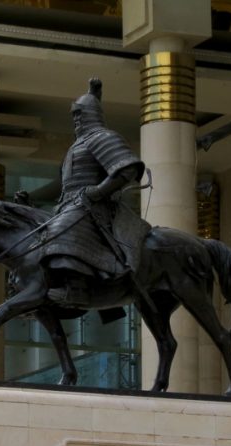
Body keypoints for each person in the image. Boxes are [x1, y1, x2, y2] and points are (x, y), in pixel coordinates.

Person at [35, 77, 148, 288]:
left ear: (92, 114)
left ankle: (77, 287)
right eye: (74, 116)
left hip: (96, 207)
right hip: (70, 205)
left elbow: (128, 168)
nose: (76, 119)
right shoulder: (76, 145)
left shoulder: (101, 137)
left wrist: (98, 191)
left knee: (63, 231)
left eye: (80, 114)